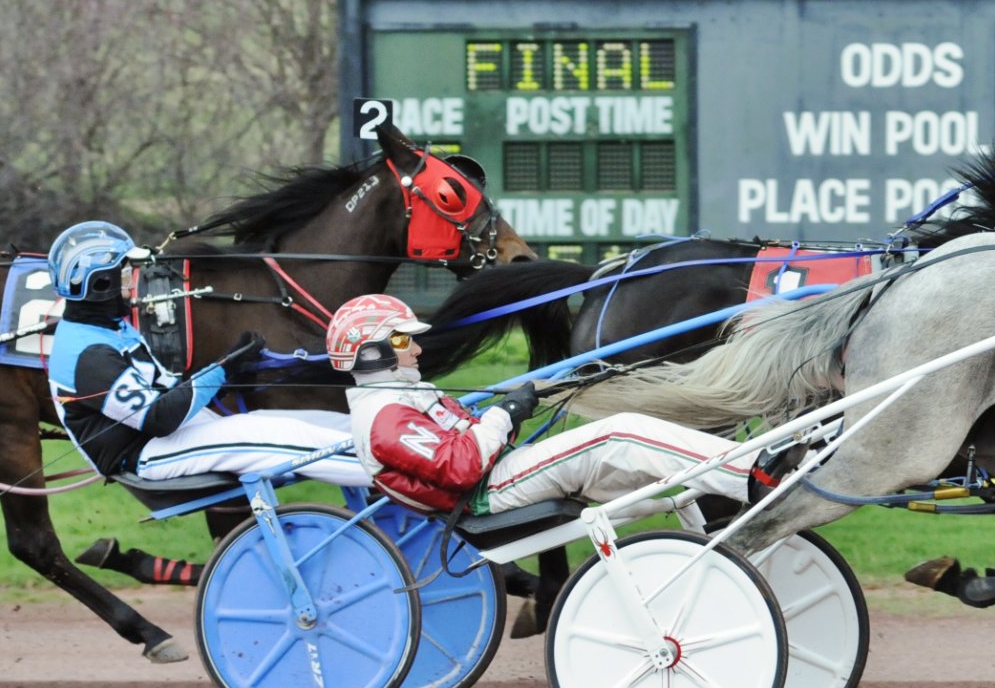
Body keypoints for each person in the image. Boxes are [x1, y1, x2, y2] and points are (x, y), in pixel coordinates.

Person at [330, 293, 749, 517]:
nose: (417, 348)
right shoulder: (383, 418)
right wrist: (506, 412)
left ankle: (729, 505)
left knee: (641, 455)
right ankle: (752, 474)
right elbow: (461, 467)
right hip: (488, 492)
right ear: (371, 351)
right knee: (621, 431)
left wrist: (513, 410)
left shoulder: (397, 399)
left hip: (503, 473)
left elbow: (467, 444)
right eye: (403, 340)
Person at [44, 221, 367, 489]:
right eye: (125, 272)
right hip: (147, 453)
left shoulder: (110, 327)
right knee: (288, 439)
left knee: (329, 423)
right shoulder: (90, 355)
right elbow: (158, 418)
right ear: (101, 283)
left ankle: (387, 446)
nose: (134, 281)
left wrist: (235, 367)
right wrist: (225, 367)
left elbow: (169, 387)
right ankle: (399, 475)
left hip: (178, 432)